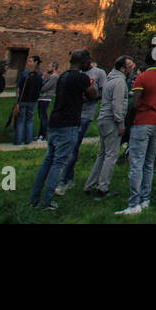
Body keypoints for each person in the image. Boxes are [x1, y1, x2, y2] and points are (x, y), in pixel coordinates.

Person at [27, 49, 98, 210]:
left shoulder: (63, 76)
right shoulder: (81, 77)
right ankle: (46, 201)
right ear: (83, 61)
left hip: (55, 122)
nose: (90, 63)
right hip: (69, 124)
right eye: (89, 60)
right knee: (58, 163)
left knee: (48, 161)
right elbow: (93, 94)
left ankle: (34, 198)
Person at [118, 49, 156, 216]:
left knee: (137, 163)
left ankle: (133, 203)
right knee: (149, 163)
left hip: (143, 122)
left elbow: (135, 103)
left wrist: (129, 121)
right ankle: (145, 200)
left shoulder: (142, 77)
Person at [85, 55, 134, 197]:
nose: (132, 69)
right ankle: (103, 188)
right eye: (130, 67)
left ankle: (90, 184)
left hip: (103, 119)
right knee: (111, 156)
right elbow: (117, 104)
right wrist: (120, 123)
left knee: (102, 154)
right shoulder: (119, 82)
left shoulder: (111, 79)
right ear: (123, 68)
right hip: (112, 120)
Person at [57, 58, 105, 193]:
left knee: (72, 148)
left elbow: (103, 92)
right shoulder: (73, 74)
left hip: (85, 115)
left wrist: (90, 98)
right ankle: (68, 178)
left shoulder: (99, 73)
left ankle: (64, 181)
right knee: (70, 148)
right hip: (71, 114)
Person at [13, 56, 43, 145]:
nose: (28, 63)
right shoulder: (40, 75)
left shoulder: (25, 74)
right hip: (33, 100)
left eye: (30, 61)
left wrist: (17, 100)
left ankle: (18, 141)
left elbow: (18, 87)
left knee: (20, 120)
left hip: (23, 100)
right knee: (29, 120)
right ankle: (28, 140)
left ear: (35, 62)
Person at [36, 62, 59, 141]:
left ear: (54, 67)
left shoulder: (54, 77)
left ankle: (44, 134)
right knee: (41, 116)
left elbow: (45, 88)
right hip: (42, 98)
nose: (47, 68)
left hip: (45, 98)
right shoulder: (50, 76)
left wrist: (41, 83)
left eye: (49, 66)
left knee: (43, 117)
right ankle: (40, 134)